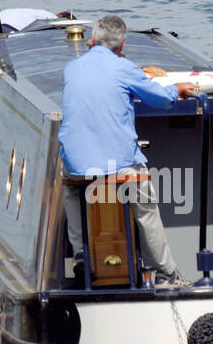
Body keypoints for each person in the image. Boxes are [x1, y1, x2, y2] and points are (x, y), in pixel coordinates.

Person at [58, 15, 196, 289]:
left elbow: (102, 81)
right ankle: (166, 273)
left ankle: (81, 253)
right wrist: (176, 89)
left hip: (77, 164)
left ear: (93, 40)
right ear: (122, 47)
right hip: (117, 165)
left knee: (72, 189)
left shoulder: (72, 68)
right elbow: (161, 99)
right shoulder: (124, 69)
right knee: (146, 207)